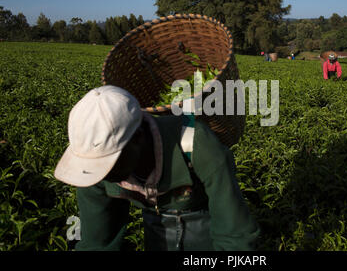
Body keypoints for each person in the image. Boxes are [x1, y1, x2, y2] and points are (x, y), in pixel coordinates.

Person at [54, 85, 260, 251]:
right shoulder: (92, 172)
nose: (103, 173)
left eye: (110, 161)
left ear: (137, 138)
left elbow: (233, 233)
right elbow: (97, 241)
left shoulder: (197, 144)